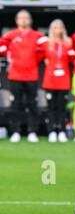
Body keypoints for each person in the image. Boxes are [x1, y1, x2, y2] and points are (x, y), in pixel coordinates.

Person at [1, 10, 47, 142]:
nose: (23, 20)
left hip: (31, 75)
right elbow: (2, 47)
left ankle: (32, 131)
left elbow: (46, 49)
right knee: (16, 104)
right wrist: (9, 57)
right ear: (16, 20)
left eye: (26, 18)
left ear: (30, 20)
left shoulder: (37, 35)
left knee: (32, 104)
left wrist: (35, 60)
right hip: (15, 74)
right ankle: (15, 131)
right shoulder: (10, 35)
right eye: (21, 18)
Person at [41, 19, 74, 141]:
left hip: (63, 79)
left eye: (59, 28)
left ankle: (62, 131)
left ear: (63, 29)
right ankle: (52, 131)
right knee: (51, 107)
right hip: (50, 79)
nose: (57, 30)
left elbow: (72, 59)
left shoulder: (68, 42)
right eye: (55, 28)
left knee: (62, 106)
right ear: (51, 30)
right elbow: (39, 56)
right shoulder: (46, 43)